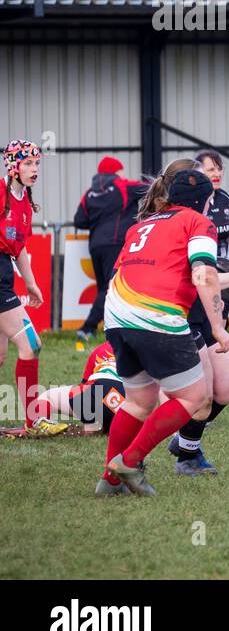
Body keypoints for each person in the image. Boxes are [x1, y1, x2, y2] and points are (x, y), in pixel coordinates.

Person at [99, 168, 229, 496]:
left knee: (138, 402)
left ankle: (110, 479)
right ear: (206, 201)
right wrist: (217, 327)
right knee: (194, 397)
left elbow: (118, 272)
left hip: (117, 311)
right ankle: (129, 461)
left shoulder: (143, 224)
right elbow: (204, 272)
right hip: (154, 312)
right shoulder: (199, 222)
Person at [163, 150, 229, 474]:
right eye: (208, 172)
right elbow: (201, 275)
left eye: (217, 169)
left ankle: (184, 442)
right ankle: (179, 454)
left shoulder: (216, 212)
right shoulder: (184, 224)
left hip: (205, 304)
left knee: (225, 386)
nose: (215, 175)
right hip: (178, 312)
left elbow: (210, 275)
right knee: (200, 394)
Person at [1, 139, 66, 437]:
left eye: (37, 163)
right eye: (27, 163)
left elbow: (21, 248)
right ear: (13, 167)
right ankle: (33, 421)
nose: (35, 169)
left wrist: (32, 284)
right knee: (32, 345)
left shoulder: (24, 201)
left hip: (5, 275)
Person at [72, 156, 148, 344]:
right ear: (116, 171)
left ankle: (109, 327)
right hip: (117, 244)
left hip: (96, 246)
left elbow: (79, 220)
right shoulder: (123, 185)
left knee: (103, 288)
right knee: (110, 287)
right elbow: (152, 189)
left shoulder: (89, 193)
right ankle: (87, 327)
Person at [30, 341, 125, 437]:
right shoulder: (138, 342)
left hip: (93, 391)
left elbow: (83, 385)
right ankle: (103, 425)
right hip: (121, 396)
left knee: (48, 396)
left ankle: (38, 424)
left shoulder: (100, 349)